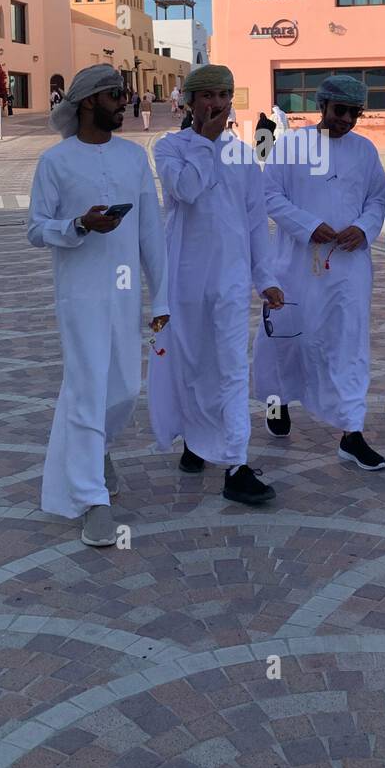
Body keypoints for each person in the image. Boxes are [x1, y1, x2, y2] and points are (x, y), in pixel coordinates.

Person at [28, 64, 169, 546]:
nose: (124, 102)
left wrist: (162, 297)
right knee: (87, 389)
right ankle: (92, 500)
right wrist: (79, 226)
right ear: (88, 101)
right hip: (80, 294)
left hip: (125, 295)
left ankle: (95, 449)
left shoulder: (133, 158)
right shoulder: (56, 162)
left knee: (126, 389)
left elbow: (152, 232)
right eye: (115, 95)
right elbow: (35, 228)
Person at [147, 63, 283, 505]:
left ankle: (236, 465)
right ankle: (194, 439)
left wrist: (266, 279)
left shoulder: (243, 155)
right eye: (207, 96)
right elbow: (184, 190)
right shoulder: (170, 148)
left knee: (229, 367)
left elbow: (254, 223)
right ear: (189, 102)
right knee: (192, 363)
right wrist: (204, 144)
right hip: (185, 278)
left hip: (229, 280)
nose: (217, 104)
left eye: (224, 96)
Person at [252, 74, 385, 470]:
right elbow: (269, 195)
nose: (347, 119)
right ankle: (278, 400)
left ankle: (352, 431)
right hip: (295, 266)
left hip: (348, 268)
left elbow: (378, 198)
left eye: (354, 113)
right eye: (340, 110)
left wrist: (363, 228)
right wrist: (307, 225)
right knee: (288, 339)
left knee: (349, 342)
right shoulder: (292, 145)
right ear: (323, 107)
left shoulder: (365, 151)